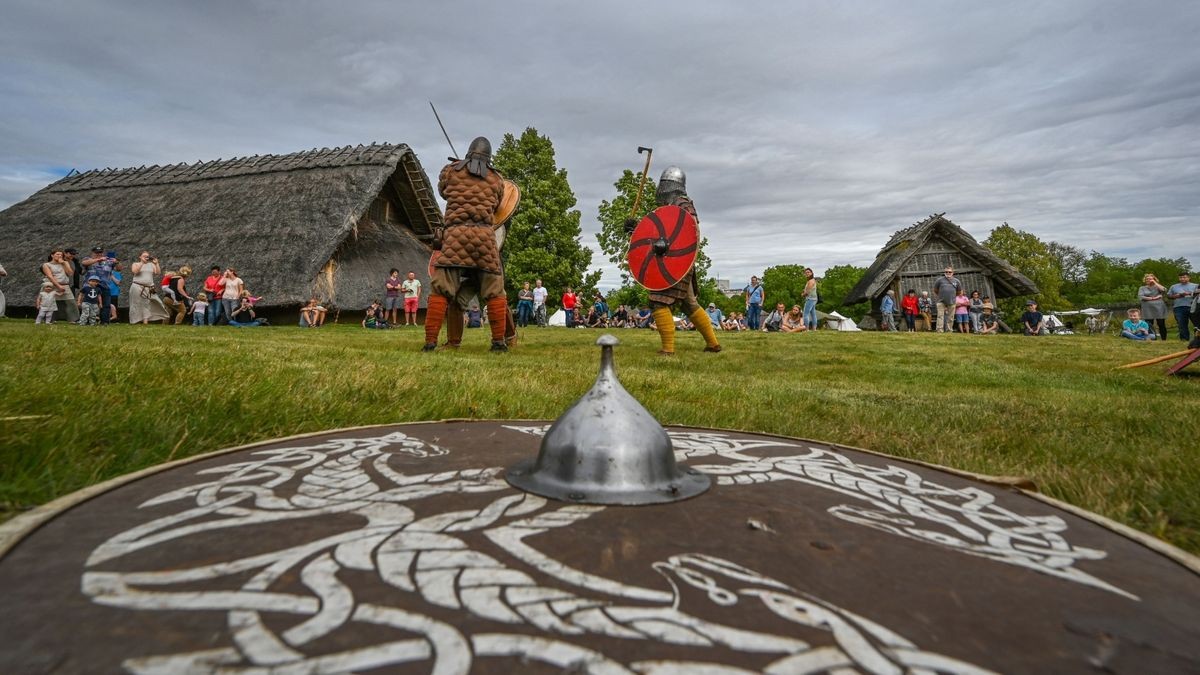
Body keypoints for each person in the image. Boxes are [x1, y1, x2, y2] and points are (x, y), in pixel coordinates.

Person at [420, 137, 512, 352]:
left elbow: (443, 191)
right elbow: (498, 205)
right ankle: (498, 343)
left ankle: (430, 342)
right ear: (489, 158)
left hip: (455, 237)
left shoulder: (450, 171)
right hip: (484, 239)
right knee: (495, 290)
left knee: (440, 289)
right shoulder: (496, 179)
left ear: (468, 152)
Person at [623, 166, 721, 355]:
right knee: (689, 304)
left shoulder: (683, 204)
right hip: (673, 261)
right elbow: (656, 233)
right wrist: (635, 231)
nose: (661, 188)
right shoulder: (669, 207)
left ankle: (667, 350)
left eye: (664, 184)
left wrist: (669, 248)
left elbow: (690, 231)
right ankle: (713, 344)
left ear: (672, 186)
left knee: (658, 301)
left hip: (673, 259)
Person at [129, 250, 171, 324]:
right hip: (137, 287)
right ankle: (136, 321)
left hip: (150, 288)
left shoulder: (151, 265)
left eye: (147, 256)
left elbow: (158, 272)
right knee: (136, 304)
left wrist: (156, 263)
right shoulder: (135, 264)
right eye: (144, 256)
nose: (146, 257)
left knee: (152, 302)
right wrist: (142, 263)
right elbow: (135, 271)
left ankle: (147, 321)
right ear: (140, 257)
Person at [41, 249, 78, 324]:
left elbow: (70, 274)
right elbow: (50, 276)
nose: (59, 256)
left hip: (64, 284)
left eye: (61, 255)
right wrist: (58, 286)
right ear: (52, 255)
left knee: (71, 302)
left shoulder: (65, 263)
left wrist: (64, 263)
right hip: (51, 285)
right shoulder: (46, 265)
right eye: (57, 254)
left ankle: (73, 319)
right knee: (49, 302)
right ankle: (49, 319)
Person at [1167, 271, 1198, 341]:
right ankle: (1184, 339)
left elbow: (1198, 294)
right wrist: (1179, 295)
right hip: (1179, 307)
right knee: (1182, 324)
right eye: (1180, 277)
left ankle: (1197, 339)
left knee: (1197, 324)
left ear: (1189, 278)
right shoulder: (1174, 286)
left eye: (1184, 277)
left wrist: (1190, 293)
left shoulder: (1195, 285)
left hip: (1193, 307)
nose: (1182, 279)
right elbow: (1169, 296)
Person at [1137, 273, 1168, 341]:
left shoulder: (1157, 287)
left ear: (1154, 279)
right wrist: (1154, 298)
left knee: (1161, 323)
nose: (1148, 280)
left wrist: (1155, 283)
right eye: (1147, 279)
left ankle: (1164, 339)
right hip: (1147, 308)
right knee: (1149, 324)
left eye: (1150, 279)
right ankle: (1152, 338)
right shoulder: (1142, 288)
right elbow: (1141, 297)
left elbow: (1164, 290)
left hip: (1159, 308)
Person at [932, 267, 963, 333]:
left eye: (949, 272)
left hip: (952, 301)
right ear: (944, 272)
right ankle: (939, 330)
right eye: (946, 272)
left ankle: (949, 330)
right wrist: (941, 296)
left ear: (952, 273)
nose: (948, 273)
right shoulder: (939, 280)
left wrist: (952, 296)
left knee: (951, 317)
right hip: (941, 301)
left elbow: (959, 291)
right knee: (940, 316)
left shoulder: (957, 281)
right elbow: (935, 290)